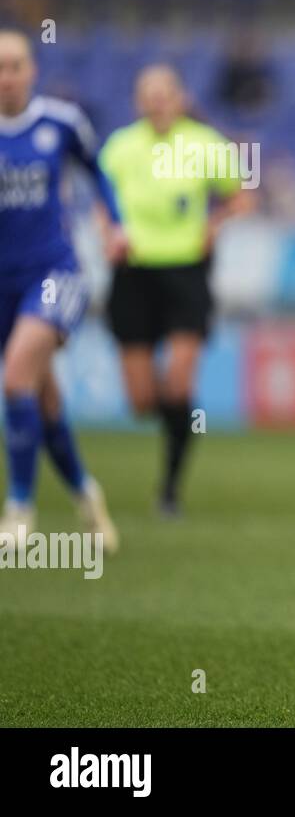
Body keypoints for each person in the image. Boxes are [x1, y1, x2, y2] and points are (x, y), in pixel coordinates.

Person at [98, 65, 255, 516]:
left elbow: (241, 196)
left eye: (165, 94)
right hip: (134, 272)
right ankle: (181, 425)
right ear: (137, 101)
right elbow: (99, 199)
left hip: (186, 273)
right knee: (143, 400)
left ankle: (169, 490)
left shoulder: (205, 144)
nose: (158, 102)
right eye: (149, 95)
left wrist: (214, 225)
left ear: (181, 98)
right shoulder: (120, 148)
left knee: (180, 380)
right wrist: (108, 231)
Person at [0, 27, 125, 551]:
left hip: (56, 272)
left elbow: (101, 173)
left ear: (33, 70)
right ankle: (85, 493)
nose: (6, 78)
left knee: (13, 380)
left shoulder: (61, 123)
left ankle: (19, 508)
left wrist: (113, 224)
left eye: (15, 66)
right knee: (42, 398)